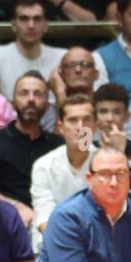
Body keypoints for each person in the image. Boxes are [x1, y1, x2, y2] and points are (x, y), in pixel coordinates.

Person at [0, 72, 63, 229]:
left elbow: (85, 148)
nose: (31, 99)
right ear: (13, 102)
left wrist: (61, 92)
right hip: (2, 222)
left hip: (52, 224)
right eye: (24, 93)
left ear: (47, 103)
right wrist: (16, 206)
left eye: (38, 94)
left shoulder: (58, 145)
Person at [30, 94, 97, 238]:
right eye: (73, 120)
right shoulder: (44, 166)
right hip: (53, 242)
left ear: (95, 125)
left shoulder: (107, 164)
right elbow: (44, 216)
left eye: (86, 119)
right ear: (61, 127)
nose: (81, 127)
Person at [0, 0, 67, 106]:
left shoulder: (63, 58)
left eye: (37, 19)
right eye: (24, 19)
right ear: (13, 25)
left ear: (45, 25)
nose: (31, 25)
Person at [90, 83, 131, 196]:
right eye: (103, 112)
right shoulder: (87, 150)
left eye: (116, 112)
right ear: (95, 116)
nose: (109, 119)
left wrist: (120, 152)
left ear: (127, 116)